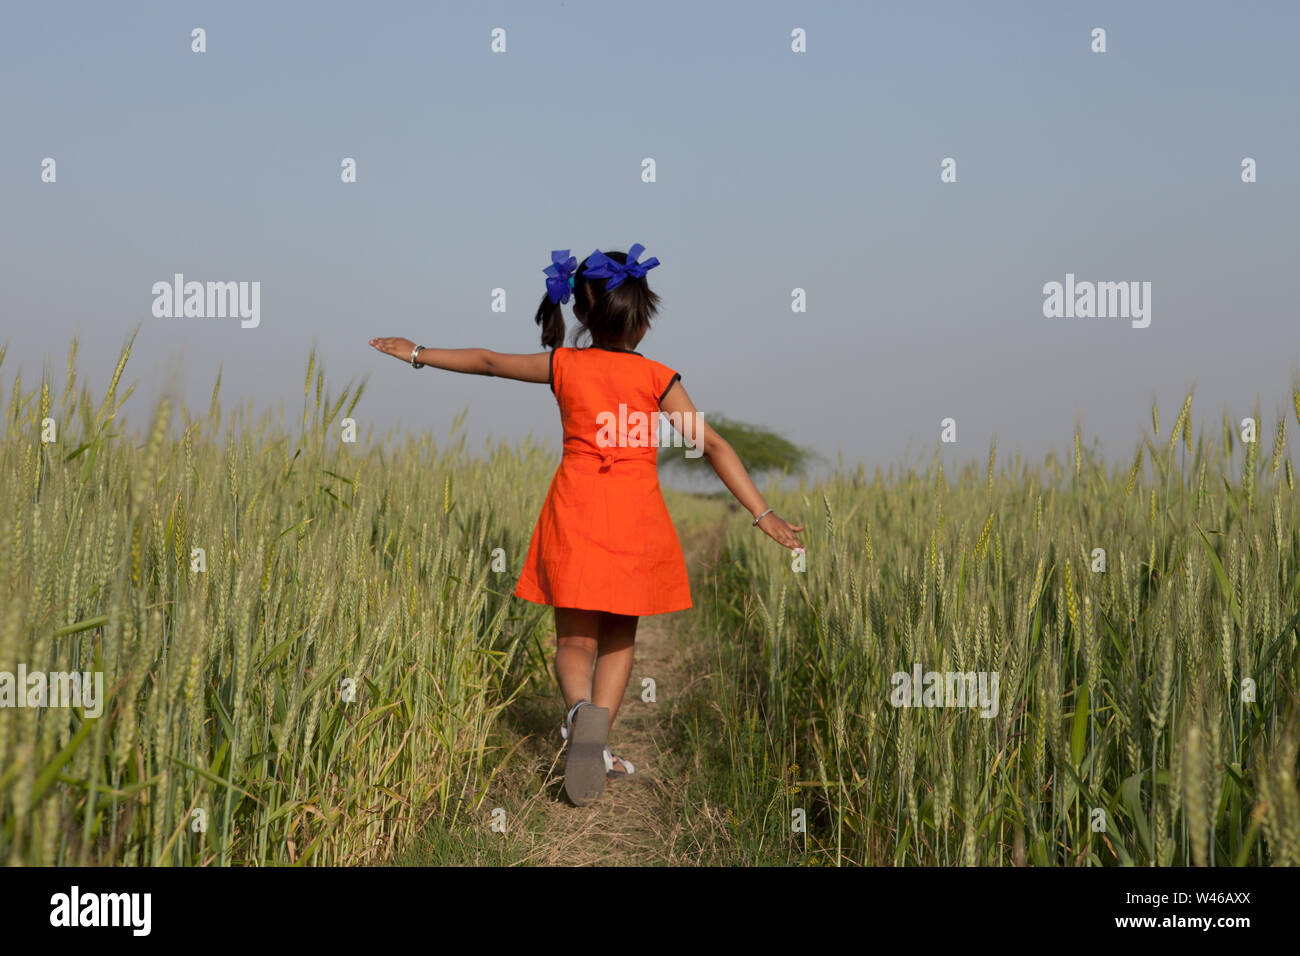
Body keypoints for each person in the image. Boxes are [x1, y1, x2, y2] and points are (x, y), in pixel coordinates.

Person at [369, 243, 804, 806]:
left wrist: (418, 352)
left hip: (574, 513)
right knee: (619, 638)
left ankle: (579, 715)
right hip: (635, 520)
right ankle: (597, 745)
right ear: (642, 323)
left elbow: (488, 362)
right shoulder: (657, 378)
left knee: (573, 639)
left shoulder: (563, 365)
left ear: (582, 315)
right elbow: (713, 444)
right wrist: (762, 513)